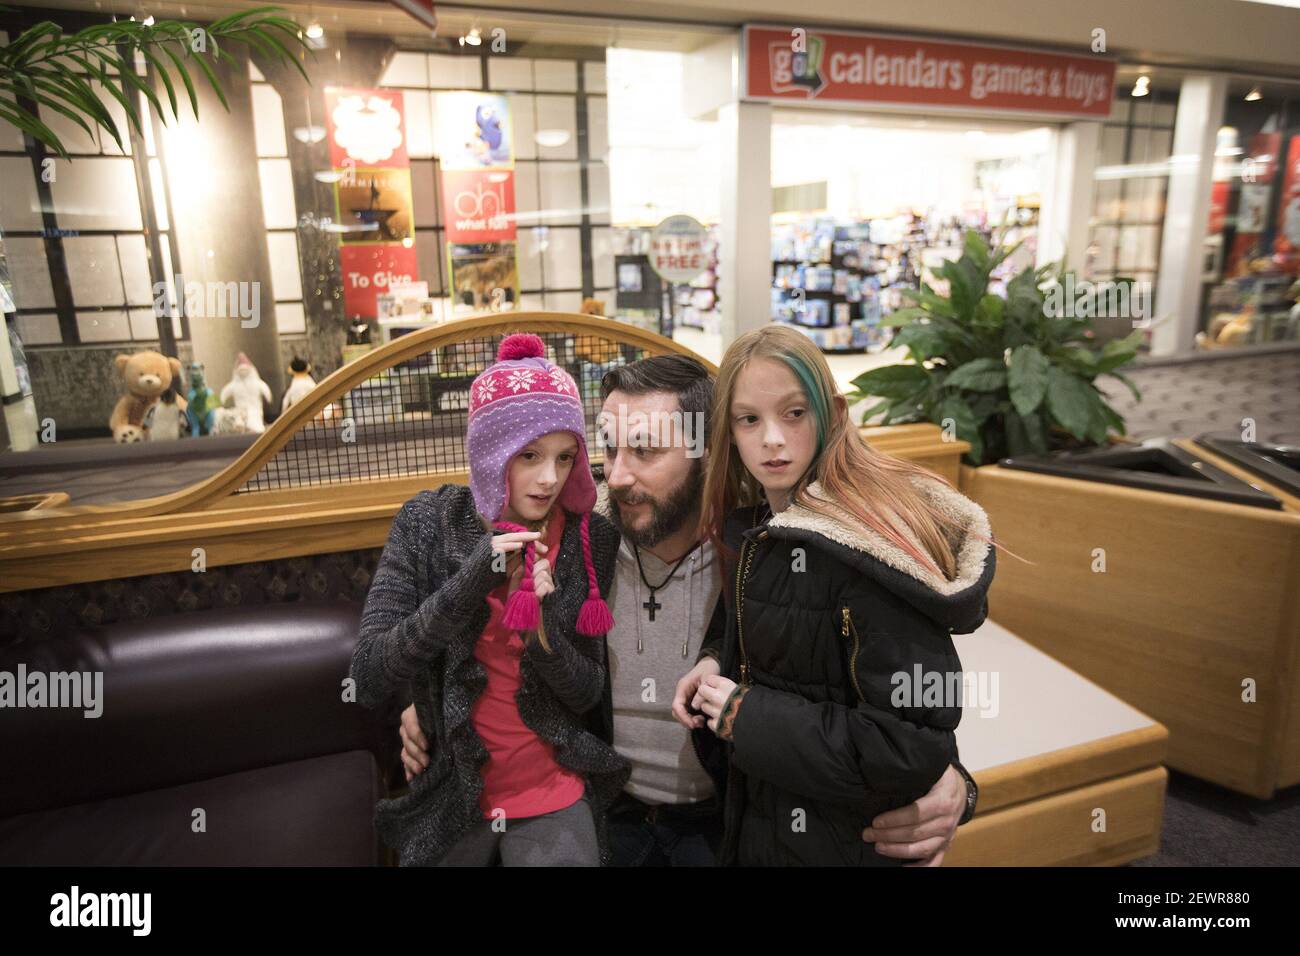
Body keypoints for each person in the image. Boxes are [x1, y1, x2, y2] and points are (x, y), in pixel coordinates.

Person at [399, 350, 980, 865]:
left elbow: (878, 692)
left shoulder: (765, 550)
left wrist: (953, 778)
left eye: (646, 450)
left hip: (725, 825)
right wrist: (430, 702)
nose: (617, 475)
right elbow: (491, 642)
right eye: (609, 447)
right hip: (607, 814)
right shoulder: (578, 543)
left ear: (707, 452)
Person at [673, 324, 995, 866]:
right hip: (775, 825)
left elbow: (910, 742)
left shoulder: (865, 548)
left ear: (835, 414)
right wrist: (713, 656)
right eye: (750, 419)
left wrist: (743, 716)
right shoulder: (761, 530)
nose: (772, 438)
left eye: (794, 413)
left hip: (849, 841)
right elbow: (766, 635)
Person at [350, 333, 629, 866]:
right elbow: (368, 675)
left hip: (554, 788)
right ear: (490, 450)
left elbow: (587, 692)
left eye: (565, 456)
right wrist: (470, 583)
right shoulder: (428, 524)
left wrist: (539, 632)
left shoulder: (588, 539)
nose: (550, 478)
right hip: (456, 786)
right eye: (529, 455)